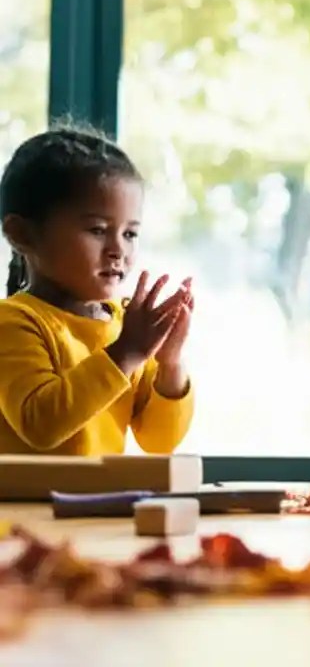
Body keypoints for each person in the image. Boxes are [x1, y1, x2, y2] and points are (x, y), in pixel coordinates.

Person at [0, 125, 195, 455]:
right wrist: (126, 353)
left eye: (130, 234)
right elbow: (41, 425)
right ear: (23, 234)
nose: (118, 250)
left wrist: (170, 364)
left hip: (99, 506)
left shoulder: (124, 325)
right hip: (24, 507)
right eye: (97, 230)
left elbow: (159, 442)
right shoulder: (14, 322)